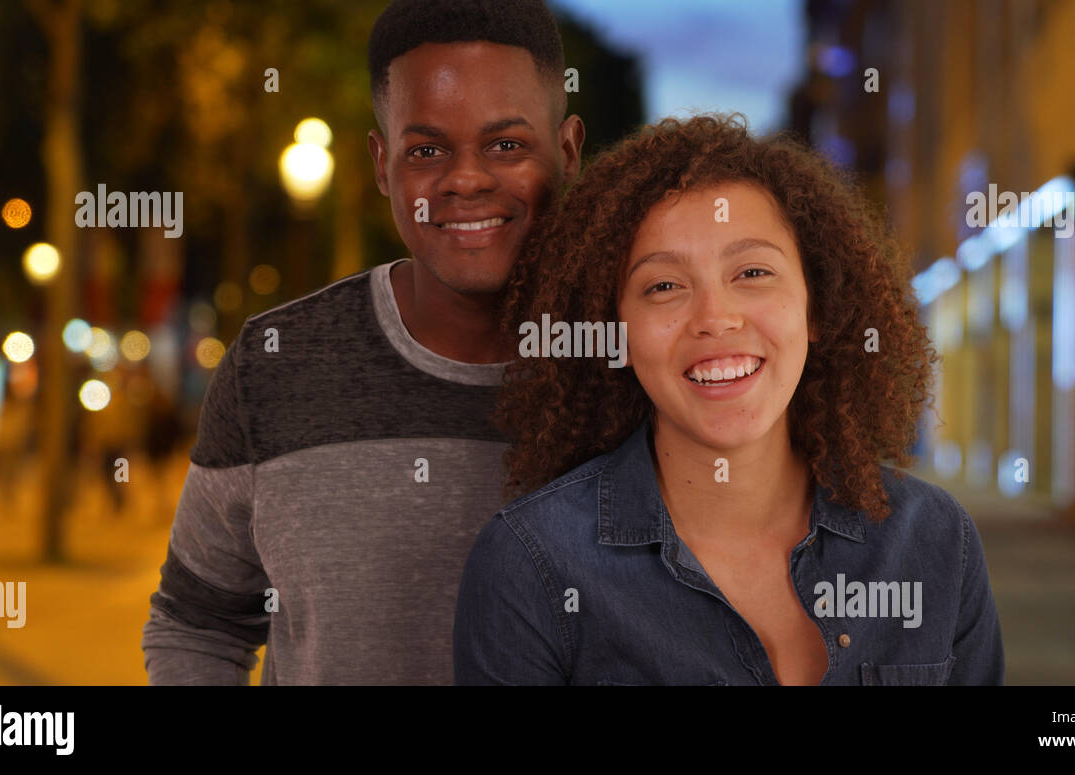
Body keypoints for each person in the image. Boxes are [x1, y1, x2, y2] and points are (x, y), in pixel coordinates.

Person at [453, 114, 1005, 685]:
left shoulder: (935, 542)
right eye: (663, 286)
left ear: (816, 307)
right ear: (615, 333)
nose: (715, 318)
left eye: (752, 271)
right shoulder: (531, 565)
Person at [141, 0, 584, 684]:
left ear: (568, 151)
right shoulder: (276, 365)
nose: (465, 178)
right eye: (427, 149)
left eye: (506, 145)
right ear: (383, 165)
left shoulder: (630, 367)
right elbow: (197, 622)